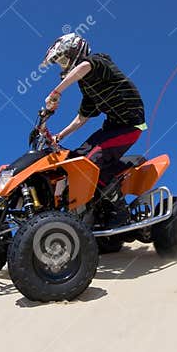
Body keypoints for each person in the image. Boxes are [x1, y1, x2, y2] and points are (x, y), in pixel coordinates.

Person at [43, 33, 146, 226]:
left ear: (76, 52)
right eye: (59, 62)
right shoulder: (87, 88)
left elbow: (84, 68)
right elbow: (82, 118)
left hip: (130, 126)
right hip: (111, 127)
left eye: (64, 59)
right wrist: (59, 135)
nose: (63, 65)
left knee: (91, 164)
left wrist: (56, 92)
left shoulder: (98, 62)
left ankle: (121, 211)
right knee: (74, 160)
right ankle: (88, 211)